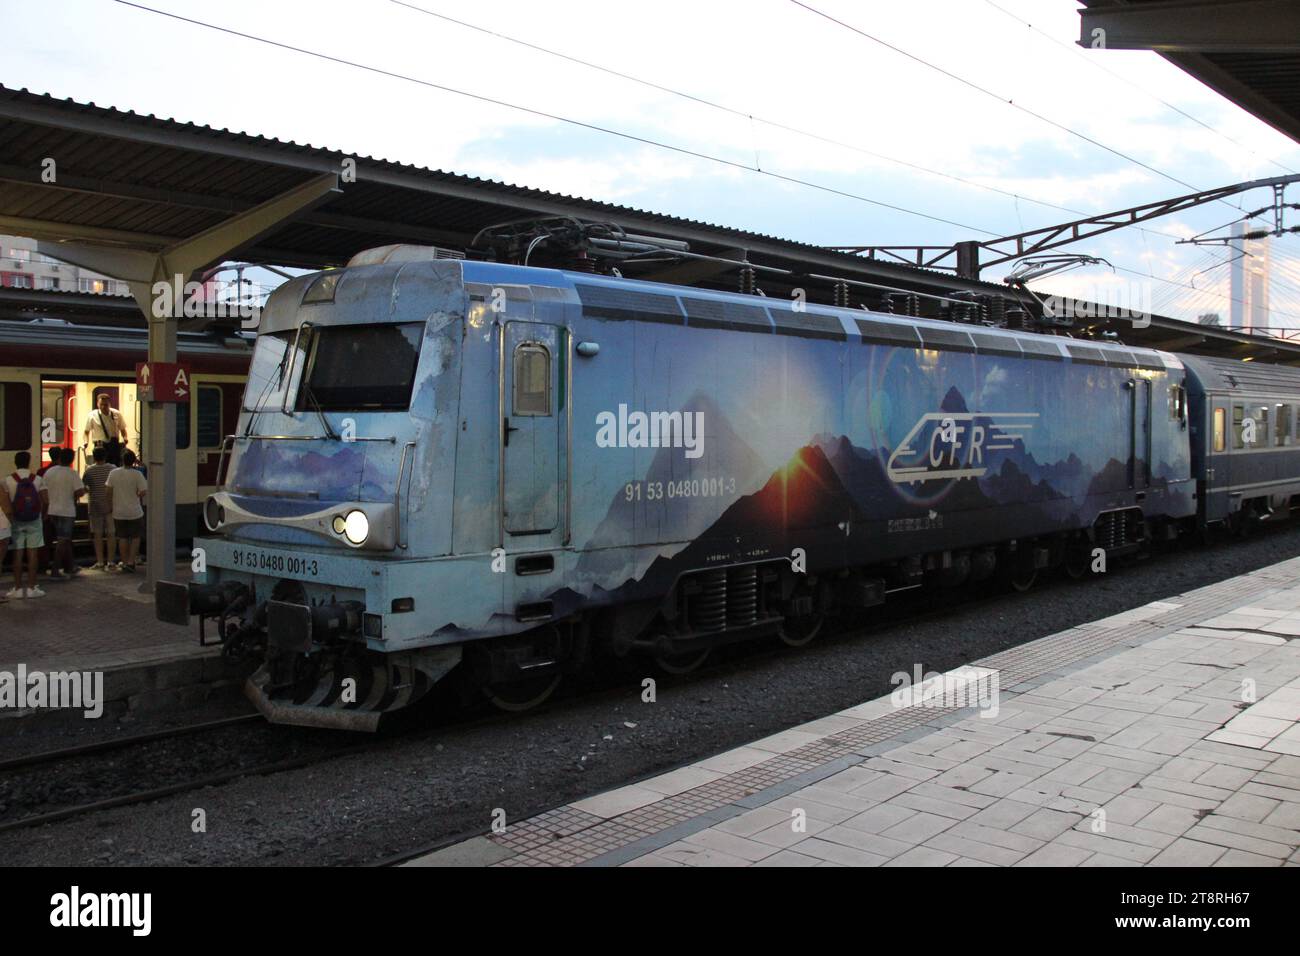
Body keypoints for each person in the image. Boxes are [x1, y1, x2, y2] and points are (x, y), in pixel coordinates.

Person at [0, 451, 49, 599]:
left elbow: (5, 504)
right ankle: (33, 587)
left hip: (16, 520)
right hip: (34, 520)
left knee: (18, 553)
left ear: (15, 462)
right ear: (29, 462)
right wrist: (43, 515)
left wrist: (10, 518)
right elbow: (45, 500)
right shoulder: (38, 479)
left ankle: (17, 588)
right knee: (33, 553)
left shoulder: (7, 480)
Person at [43, 447, 85, 579]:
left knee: (65, 540)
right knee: (63, 540)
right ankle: (55, 570)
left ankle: (70, 566)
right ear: (72, 460)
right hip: (67, 511)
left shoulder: (49, 472)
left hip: (53, 510)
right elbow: (80, 492)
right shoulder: (72, 473)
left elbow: (43, 490)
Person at [105, 449, 147, 573]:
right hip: (135, 511)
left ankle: (124, 561)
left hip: (118, 511)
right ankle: (131, 561)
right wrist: (137, 494)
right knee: (135, 537)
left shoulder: (113, 473)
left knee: (122, 537)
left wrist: (110, 505)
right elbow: (143, 491)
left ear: (122, 461)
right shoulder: (137, 474)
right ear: (134, 461)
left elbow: (108, 491)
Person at [82, 446, 116, 570]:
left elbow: (84, 487)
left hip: (95, 505)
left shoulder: (89, 471)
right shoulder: (113, 469)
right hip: (110, 505)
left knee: (97, 535)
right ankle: (111, 561)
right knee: (111, 533)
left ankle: (100, 561)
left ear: (94, 457)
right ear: (105, 456)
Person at [83, 393, 128, 467]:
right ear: (98, 404)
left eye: (106, 404)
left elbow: (122, 429)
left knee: (115, 465)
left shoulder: (116, 414)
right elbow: (86, 431)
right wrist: (86, 441)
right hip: (100, 446)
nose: (103, 407)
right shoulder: (92, 415)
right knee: (100, 466)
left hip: (114, 444)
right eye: (101, 404)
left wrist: (125, 438)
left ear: (109, 404)